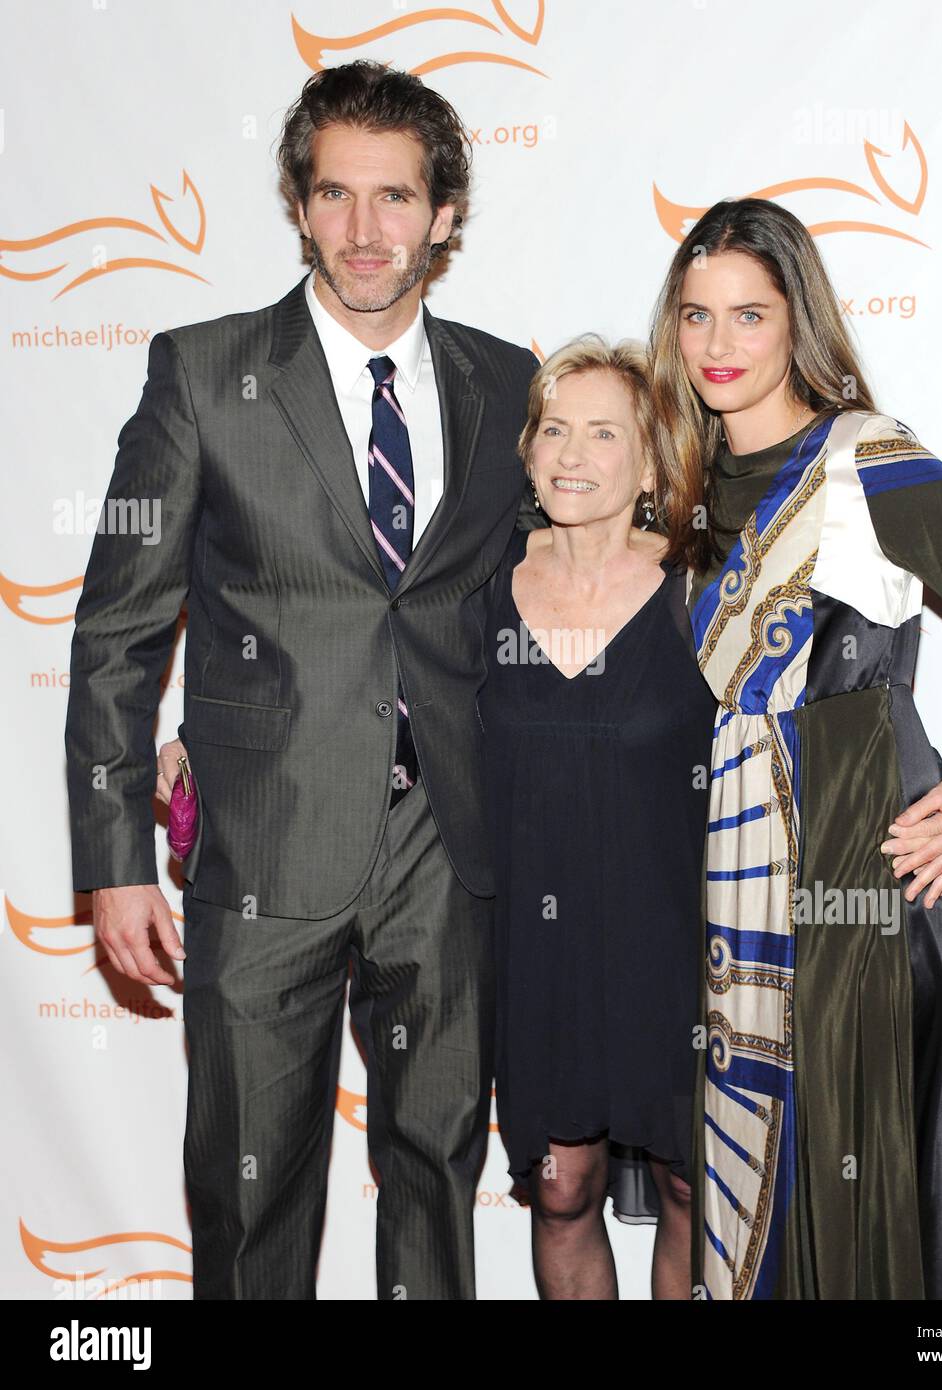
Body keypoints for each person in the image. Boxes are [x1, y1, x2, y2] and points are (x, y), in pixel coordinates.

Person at [64, 59, 541, 1300]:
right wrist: (114, 857)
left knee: (437, 1166)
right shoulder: (200, 373)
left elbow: (545, 601)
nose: (365, 231)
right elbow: (115, 627)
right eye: (336, 196)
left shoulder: (512, 383)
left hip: (449, 843)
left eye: (395, 198)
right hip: (264, 844)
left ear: (445, 213)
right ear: (299, 204)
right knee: (248, 1181)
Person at [647, 197, 942, 1299]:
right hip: (724, 891)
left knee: (857, 1198)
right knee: (746, 1195)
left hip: (860, 871)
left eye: (747, 316)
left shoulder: (867, 458)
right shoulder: (677, 485)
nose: (717, 346)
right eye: (695, 317)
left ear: (796, 318)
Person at [476, 338, 717, 1298]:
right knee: (561, 1187)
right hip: (536, 951)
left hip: (679, 941)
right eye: (555, 429)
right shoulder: (476, 586)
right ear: (529, 452)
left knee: (692, 1182)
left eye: (604, 432)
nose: (572, 453)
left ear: (652, 462)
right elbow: (370, 692)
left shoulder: (708, 593)